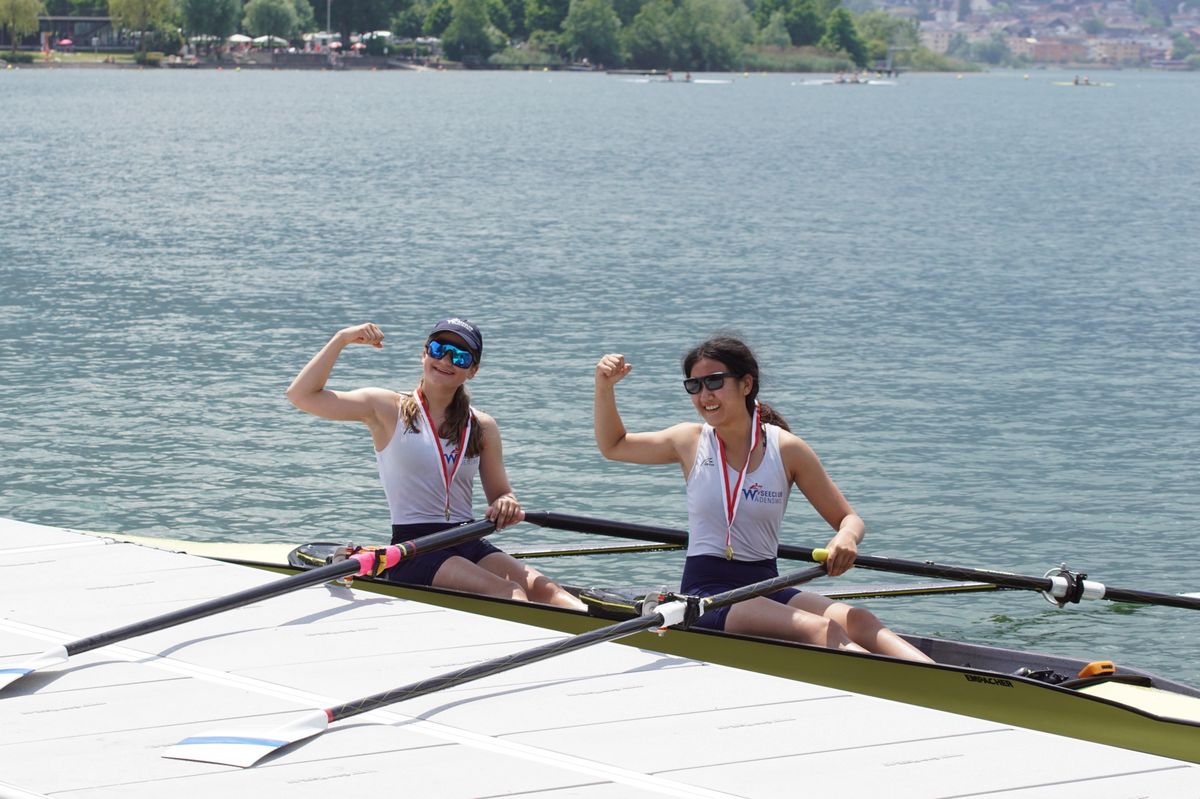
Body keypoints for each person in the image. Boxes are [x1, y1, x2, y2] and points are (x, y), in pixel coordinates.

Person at [593, 336, 933, 661]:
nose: (704, 395)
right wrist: (604, 387)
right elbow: (614, 445)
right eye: (694, 386)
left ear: (746, 384)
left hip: (767, 586)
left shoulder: (786, 449)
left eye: (714, 382)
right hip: (708, 595)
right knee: (821, 628)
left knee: (859, 620)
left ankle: (936, 678)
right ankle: (907, 688)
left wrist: (845, 537)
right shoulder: (689, 441)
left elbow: (850, 519)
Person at [288, 318, 585, 610]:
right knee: (510, 592)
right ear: (424, 353)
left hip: (467, 537)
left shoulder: (481, 426)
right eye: (438, 348)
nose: (446, 359)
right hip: (414, 548)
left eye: (460, 355)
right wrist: (341, 338)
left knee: (548, 591)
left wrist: (506, 504)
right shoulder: (386, 408)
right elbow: (301, 395)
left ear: (473, 370)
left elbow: (501, 494)